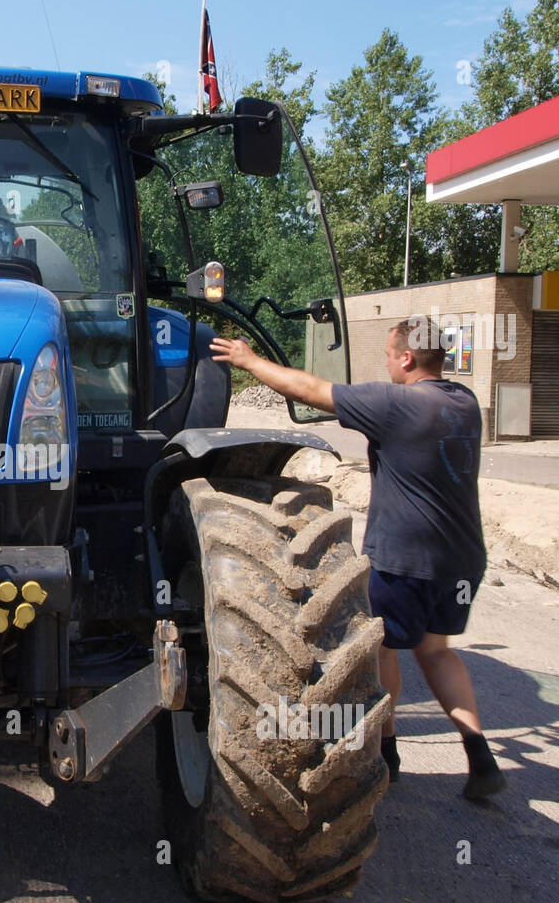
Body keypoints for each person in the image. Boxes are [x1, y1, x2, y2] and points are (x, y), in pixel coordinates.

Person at [210, 318, 506, 800]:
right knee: (436, 651)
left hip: (402, 559)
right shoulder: (464, 402)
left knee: (383, 650)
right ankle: (479, 755)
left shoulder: (394, 405)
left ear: (407, 359)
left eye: (390, 355)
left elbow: (310, 389)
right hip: (463, 559)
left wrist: (248, 360)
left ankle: (386, 754)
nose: (387, 363)